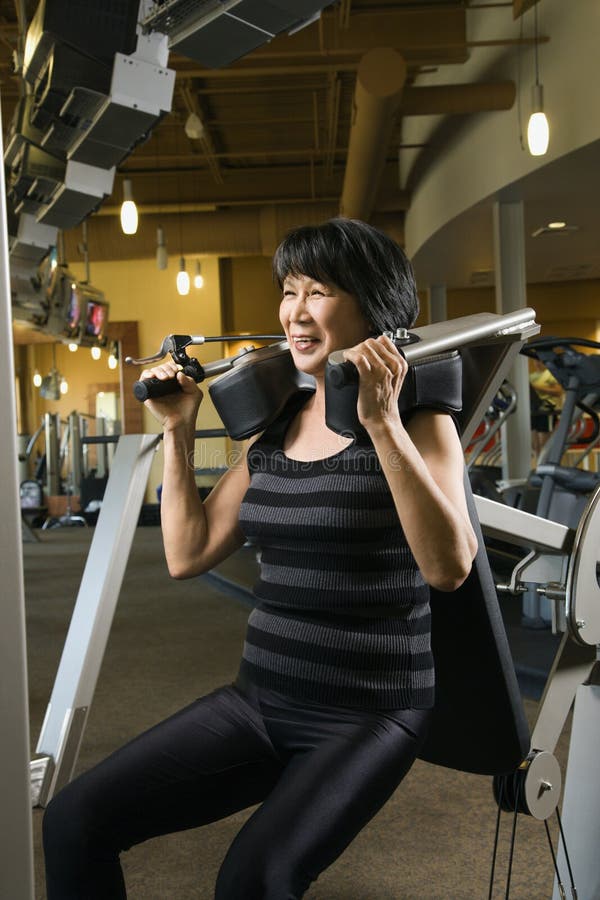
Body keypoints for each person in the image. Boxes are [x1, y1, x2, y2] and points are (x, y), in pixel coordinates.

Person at [43, 218, 478, 899]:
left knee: (254, 879)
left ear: (373, 306)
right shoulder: (276, 424)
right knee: (75, 819)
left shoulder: (421, 420)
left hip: (367, 714)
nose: (295, 312)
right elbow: (189, 554)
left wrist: (382, 422)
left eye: (319, 292)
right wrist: (179, 431)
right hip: (261, 698)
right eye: (288, 291)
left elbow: (449, 567)